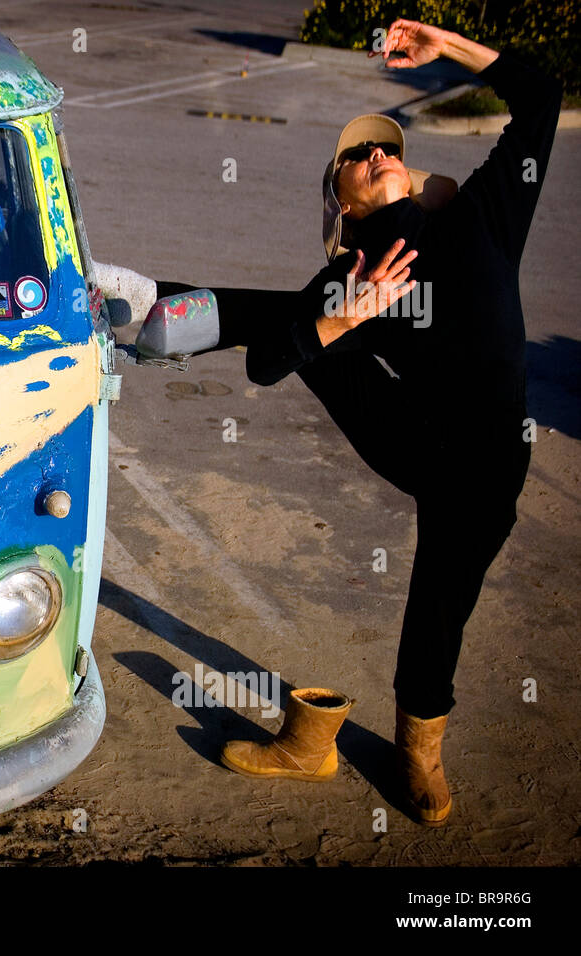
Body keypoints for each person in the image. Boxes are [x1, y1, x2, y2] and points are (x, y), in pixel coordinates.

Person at [173, 19, 562, 826]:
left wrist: (445, 44)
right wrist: (348, 314)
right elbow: (267, 368)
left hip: (492, 457)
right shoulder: (347, 267)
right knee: (301, 329)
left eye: (384, 147)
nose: (374, 153)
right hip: (416, 438)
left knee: (442, 601)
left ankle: (381, 747)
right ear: (340, 206)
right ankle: (173, 314)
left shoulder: (484, 214)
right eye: (353, 156)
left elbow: (541, 95)